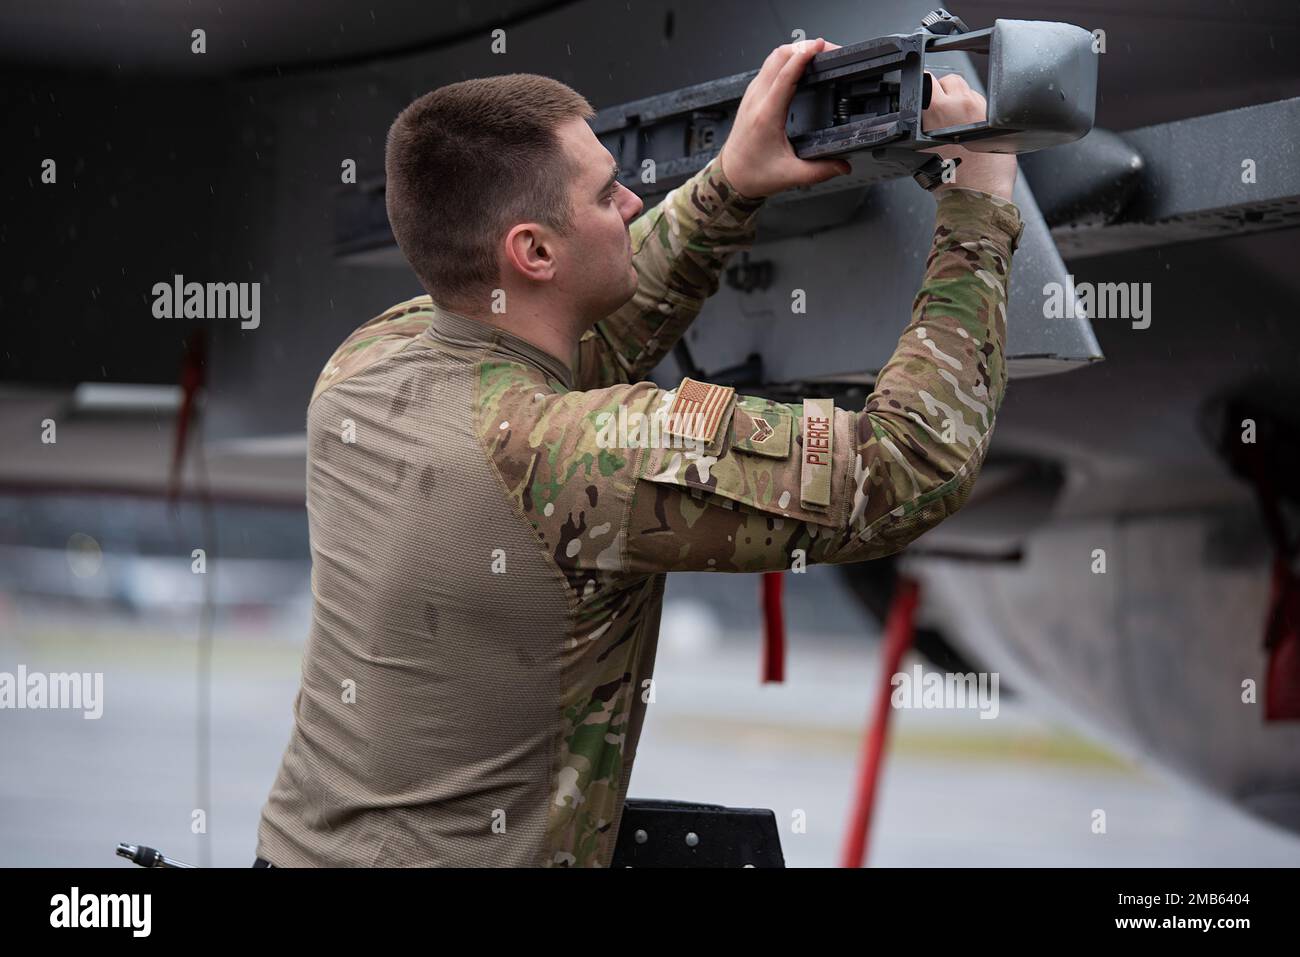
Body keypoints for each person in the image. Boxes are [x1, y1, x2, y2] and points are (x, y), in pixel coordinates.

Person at [255, 38, 1023, 867]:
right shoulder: (580, 459)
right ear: (533, 253)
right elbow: (910, 463)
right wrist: (977, 200)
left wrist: (730, 183)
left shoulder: (368, 364)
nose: (630, 202)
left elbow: (579, 337)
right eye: (602, 194)